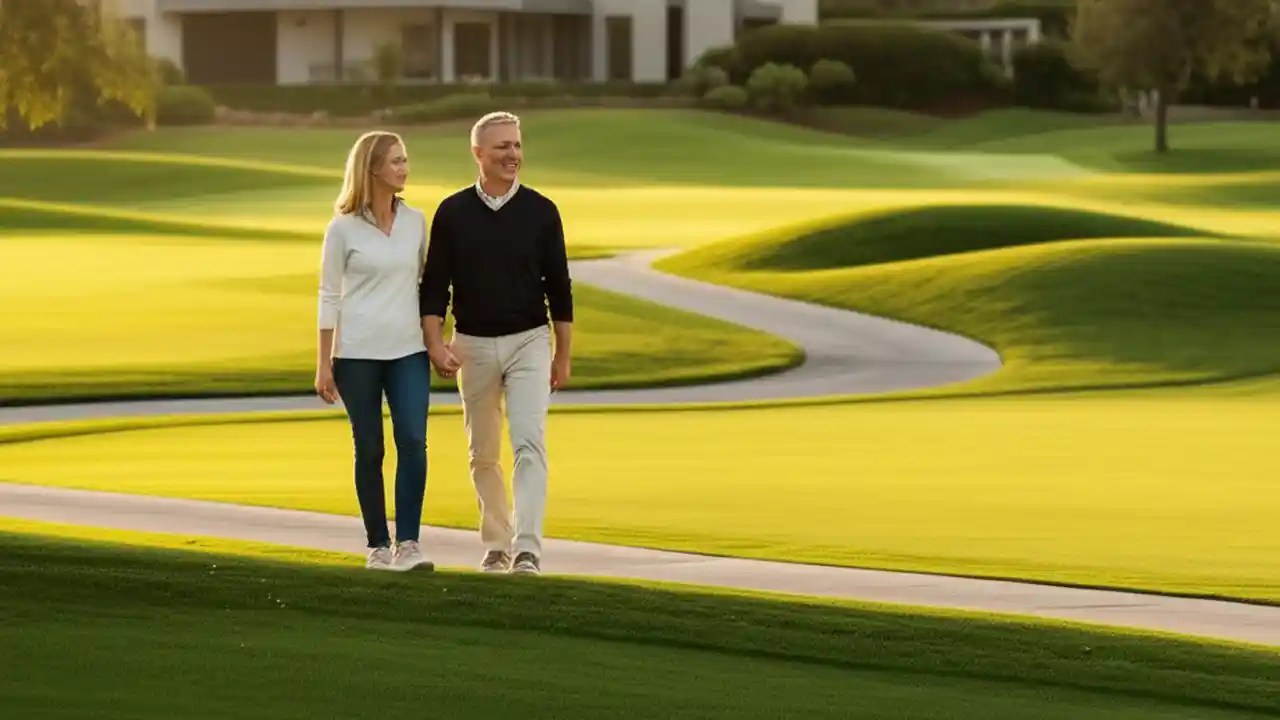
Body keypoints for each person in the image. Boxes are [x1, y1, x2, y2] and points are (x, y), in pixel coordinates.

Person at [420, 111, 573, 576]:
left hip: (530, 340)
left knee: (529, 444)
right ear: (478, 153)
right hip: (472, 344)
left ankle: (527, 548)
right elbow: (434, 287)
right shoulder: (452, 212)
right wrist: (434, 342)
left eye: (517, 145)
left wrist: (562, 354)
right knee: (483, 453)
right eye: (503, 147)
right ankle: (496, 543)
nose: (513, 155)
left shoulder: (542, 211)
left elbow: (559, 289)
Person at [315, 130, 434, 573]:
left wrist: (438, 341)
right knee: (369, 449)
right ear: (372, 170)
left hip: (408, 351)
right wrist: (323, 362)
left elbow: (429, 288)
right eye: (396, 161)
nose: (405, 168)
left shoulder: (417, 221)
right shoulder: (341, 229)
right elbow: (328, 295)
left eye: (405, 159)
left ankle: (409, 543)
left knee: (413, 441)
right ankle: (378, 545)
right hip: (357, 355)